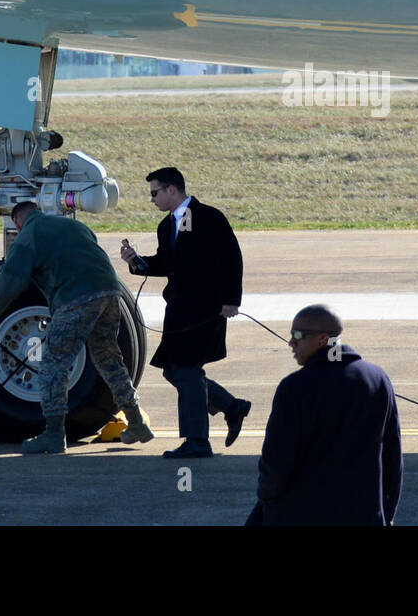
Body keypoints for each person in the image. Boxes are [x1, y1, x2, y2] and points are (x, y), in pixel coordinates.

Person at [0, 201, 154, 454]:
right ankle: (136, 423)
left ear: (17, 221)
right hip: (111, 293)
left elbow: (9, 280)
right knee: (108, 359)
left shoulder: (29, 235)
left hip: (76, 299)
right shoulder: (74, 225)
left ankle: (54, 435)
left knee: (53, 364)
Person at [119, 167, 249, 459]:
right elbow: (167, 264)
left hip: (206, 309)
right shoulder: (167, 226)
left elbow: (231, 259)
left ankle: (197, 441)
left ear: (171, 190)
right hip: (178, 311)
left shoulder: (209, 218)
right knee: (174, 369)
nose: (151, 199)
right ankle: (231, 406)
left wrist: (231, 300)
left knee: (187, 370)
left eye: (154, 193)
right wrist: (137, 262)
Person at [246, 305, 402, 525]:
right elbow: (392, 457)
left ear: (321, 339)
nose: (291, 343)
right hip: (363, 516)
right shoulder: (378, 379)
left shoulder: (295, 387)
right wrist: (386, 514)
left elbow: (277, 460)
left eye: (297, 335)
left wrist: (267, 500)